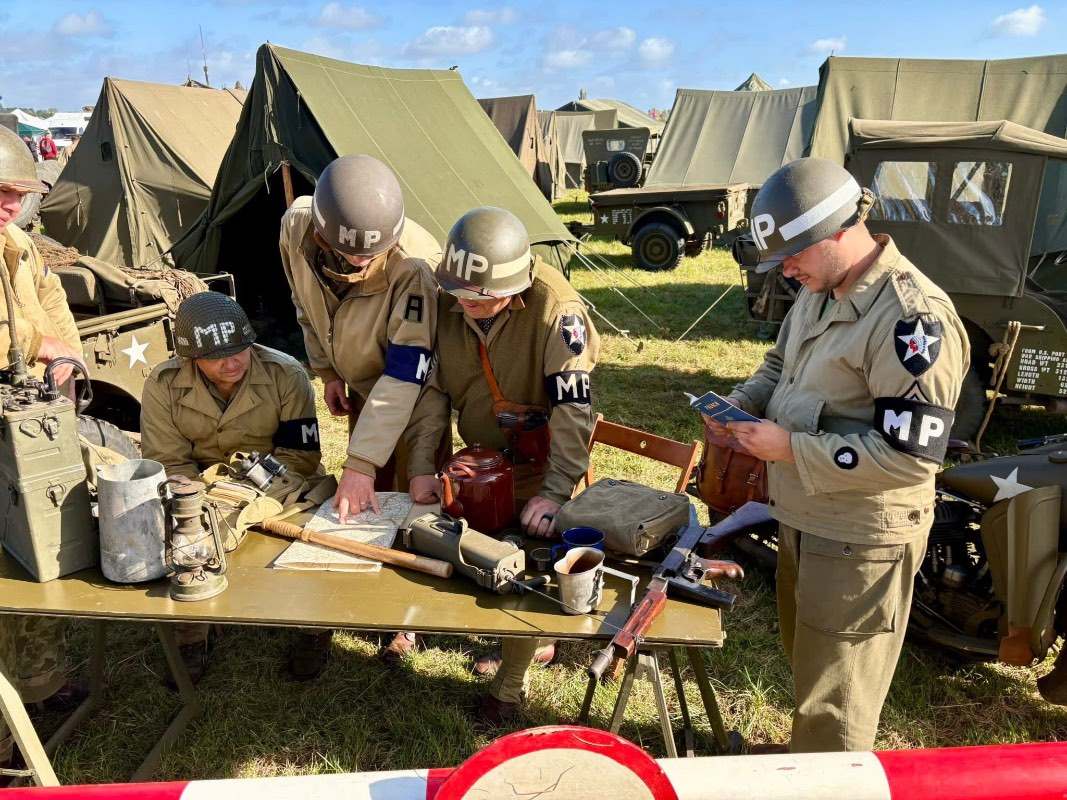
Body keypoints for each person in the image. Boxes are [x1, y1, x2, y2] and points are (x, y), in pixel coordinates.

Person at [714, 158, 968, 752]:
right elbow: (781, 365)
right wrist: (743, 402)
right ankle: (812, 762)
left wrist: (790, 447)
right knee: (812, 665)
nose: (786, 270)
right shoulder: (820, 288)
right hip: (805, 515)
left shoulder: (911, 320)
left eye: (794, 256)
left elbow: (910, 458)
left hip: (862, 538)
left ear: (837, 234)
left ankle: (828, 775)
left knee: (839, 701)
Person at [403, 206, 600, 723]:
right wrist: (424, 464)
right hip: (475, 465)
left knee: (526, 561)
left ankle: (509, 688)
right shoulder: (448, 302)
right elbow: (432, 394)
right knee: (463, 549)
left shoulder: (558, 313)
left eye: (483, 299)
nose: (468, 306)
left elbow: (574, 410)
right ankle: (508, 637)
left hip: (539, 465)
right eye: (462, 295)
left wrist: (556, 492)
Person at [279, 154, 442, 662]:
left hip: (415, 391)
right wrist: (326, 368)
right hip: (358, 382)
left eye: (371, 256)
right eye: (349, 255)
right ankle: (357, 599)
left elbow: (407, 371)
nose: (359, 264)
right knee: (365, 508)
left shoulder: (415, 267)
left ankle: (407, 617)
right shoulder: (296, 227)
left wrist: (359, 462)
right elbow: (305, 304)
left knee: (414, 500)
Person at [140, 291, 323, 680]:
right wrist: (203, 499)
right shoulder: (163, 384)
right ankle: (192, 636)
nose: (234, 361)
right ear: (191, 358)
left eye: (240, 349)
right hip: (199, 487)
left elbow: (300, 457)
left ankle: (313, 629)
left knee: (312, 543)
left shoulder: (286, 375)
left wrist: (241, 494)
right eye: (218, 356)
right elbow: (170, 462)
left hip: (282, 484)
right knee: (183, 536)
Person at [0, 125, 88, 777]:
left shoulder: (22, 246)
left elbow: (54, 309)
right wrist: (39, 345)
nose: (11, 203)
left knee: (43, 545)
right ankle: (6, 739)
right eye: (0, 192)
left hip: (26, 424)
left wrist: (69, 354)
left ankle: (43, 684)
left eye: (19, 192)